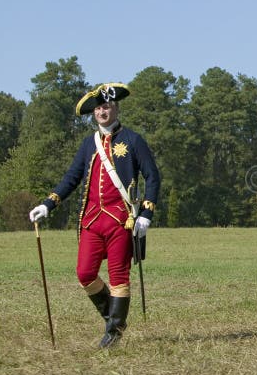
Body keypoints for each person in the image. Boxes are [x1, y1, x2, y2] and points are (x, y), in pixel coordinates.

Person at [29, 83, 160, 348]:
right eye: (99, 108)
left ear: (116, 108)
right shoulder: (89, 144)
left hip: (121, 219)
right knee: (85, 273)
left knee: (118, 276)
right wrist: (48, 204)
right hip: (91, 221)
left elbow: (152, 176)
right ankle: (113, 318)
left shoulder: (133, 140)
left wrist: (146, 212)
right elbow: (72, 178)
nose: (103, 111)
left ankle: (113, 332)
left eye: (107, 106)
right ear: (94, 113)